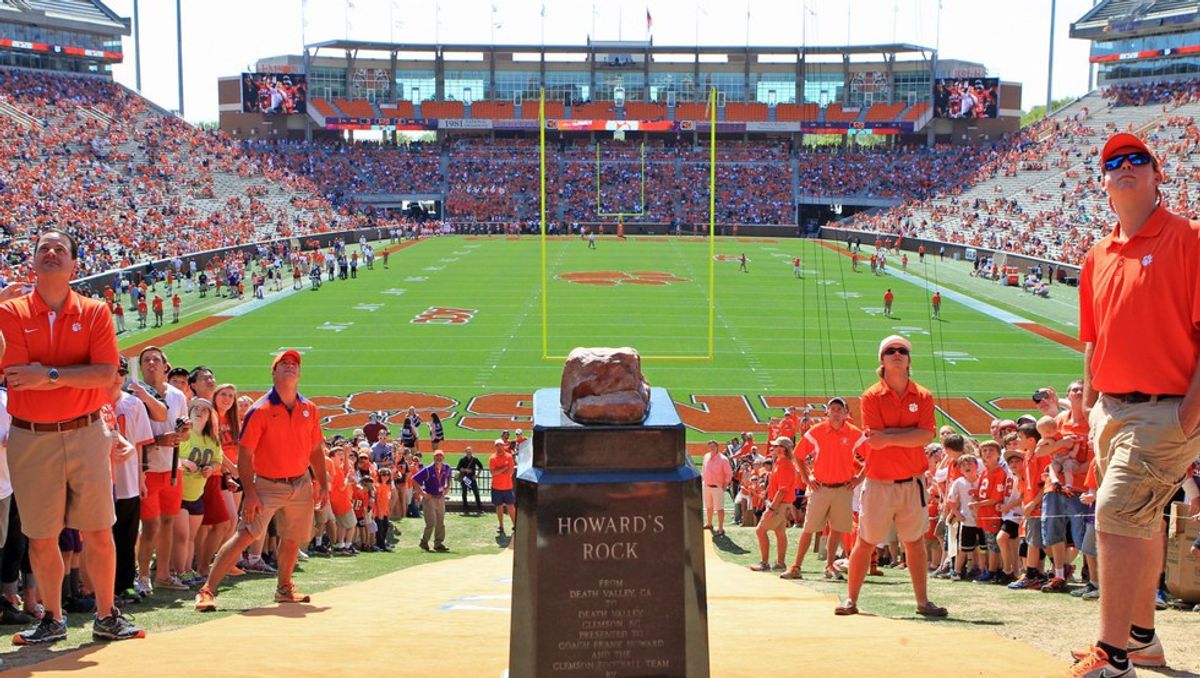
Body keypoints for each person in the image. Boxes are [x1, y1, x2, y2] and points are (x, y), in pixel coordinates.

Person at [1071, 132, 1200, 677]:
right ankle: (1142, 639)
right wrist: (1090, 404)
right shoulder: (1097, 254)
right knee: (1141, 522)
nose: (1123, 167)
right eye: (1112, 163)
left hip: (1163, 408)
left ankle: (1112, 655)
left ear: (1156, 174)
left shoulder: (1188, 239)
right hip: (1113, 411)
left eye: (1136, 159)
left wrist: (1187, 415)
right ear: (1103, 183)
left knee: (1115, 515)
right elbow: (1093, 338)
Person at [0, 229, 144, 643]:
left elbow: (104, 374)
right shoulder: (11, 313)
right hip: (31, 435)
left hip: (85, 431)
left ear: (73, 265)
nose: (50, 253)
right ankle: (53, 617)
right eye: (43, 248)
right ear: (32, 262)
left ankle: (106, 613)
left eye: (59, 249)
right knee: (41, 536)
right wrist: (71, 378)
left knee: (99, 529)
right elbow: (15, 378)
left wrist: (47, 374)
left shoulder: (95, 310)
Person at [194, 350, 329, 612]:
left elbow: (315, 449)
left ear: (299, 373)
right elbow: (245, 454)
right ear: (274, 372)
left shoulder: (308, 408)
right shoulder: (261, 410)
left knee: (292, 538)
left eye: (294, 364)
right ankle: (206, 590)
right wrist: (251, 492)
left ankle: (284, 587)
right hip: (268, 483)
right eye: (284, 364)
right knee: (246, 535)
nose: (290, 366)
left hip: (300, 481)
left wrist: (323, 482)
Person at [836, 335, 946, 618]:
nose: (897, 354)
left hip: (912, 481)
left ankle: (923, 602)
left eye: (902, 351)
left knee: (915, 542)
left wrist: (889, 437)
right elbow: (875, 440)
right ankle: (851, 599)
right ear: (881, 360)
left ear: (909, 360)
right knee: (866, 541)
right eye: (890, 351)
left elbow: (924, 436)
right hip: (879, 481)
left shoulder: (923, 395)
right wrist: (904, 436)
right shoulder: (871, 396)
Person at [783, 397, 865, 581]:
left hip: (843, 489)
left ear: (846, 413)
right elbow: (798, 455)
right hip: (820, 487)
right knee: (809, 528)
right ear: (827, 412)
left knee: (836, 529)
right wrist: (806, 478)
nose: (835, 412)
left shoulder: (854, 433)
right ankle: (796, 566)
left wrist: (859, 478)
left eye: (839, 409)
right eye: (832, 408)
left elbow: (872, 455)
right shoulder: (817, 431)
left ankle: (829, 566)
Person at [749, 437, 796, 572]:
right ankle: (780, 563)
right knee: (780, 532)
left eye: (776, 446)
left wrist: (772, 508)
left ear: (783, 449)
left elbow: (782, 490)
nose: (773, 448)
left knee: (760, 530)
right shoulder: (781, 463)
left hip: (779, 504)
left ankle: (764, 563)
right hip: (782, 504)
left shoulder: (785, 465)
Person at [412, 449, 452, 552]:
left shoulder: (446, 468)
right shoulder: (428, 470)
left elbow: (449, 477)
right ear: (433, 458)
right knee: (431, 522)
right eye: (437, 457)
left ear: (443, 458)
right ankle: (424, 542)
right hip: (430, 499)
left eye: (440, 457)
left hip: (440, 498)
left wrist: (448, 487)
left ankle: (438, 543)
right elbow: (414, 480)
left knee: (440, 522)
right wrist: (423, 493)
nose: (439, 459)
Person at [701, 440, 733, 535]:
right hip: (706, 486)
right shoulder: (706, 456)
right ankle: (709, 523)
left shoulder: (723, 459)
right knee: (708, 507)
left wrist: (725, 485)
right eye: (710, 447)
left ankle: (720, 528)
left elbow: (729, 473)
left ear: (717, 447)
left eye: (713, 447)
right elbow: (703, 469)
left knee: (719, 509)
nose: (711, 448)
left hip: (717, 487)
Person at [489, 437, 516, 536]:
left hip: (507, 487)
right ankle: (501, 525)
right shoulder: (492, 458)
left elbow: (510, 472)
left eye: (500, 445)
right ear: (495, 447)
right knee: (499, 507)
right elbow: (493, 473)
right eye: (497, 445)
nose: (499, 447)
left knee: (511, 507)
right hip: (496, 487)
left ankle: (515, 524)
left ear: (503, 445)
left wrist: (499, 470)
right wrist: (504, 468)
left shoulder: (509, 456)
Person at [456, 446, 483, 514]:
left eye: (470, 452)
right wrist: (466, 470)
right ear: (466, 452)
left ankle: (479, 507)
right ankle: (465, 508)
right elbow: (458, 468)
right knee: (464, 493)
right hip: (464, 478)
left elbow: (481, 467)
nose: (469, 453)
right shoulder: (462, 459)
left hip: (471, 477)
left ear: (472, 452)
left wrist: (477, 475)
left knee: (476, 492)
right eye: (468, 452)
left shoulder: (475, 459)